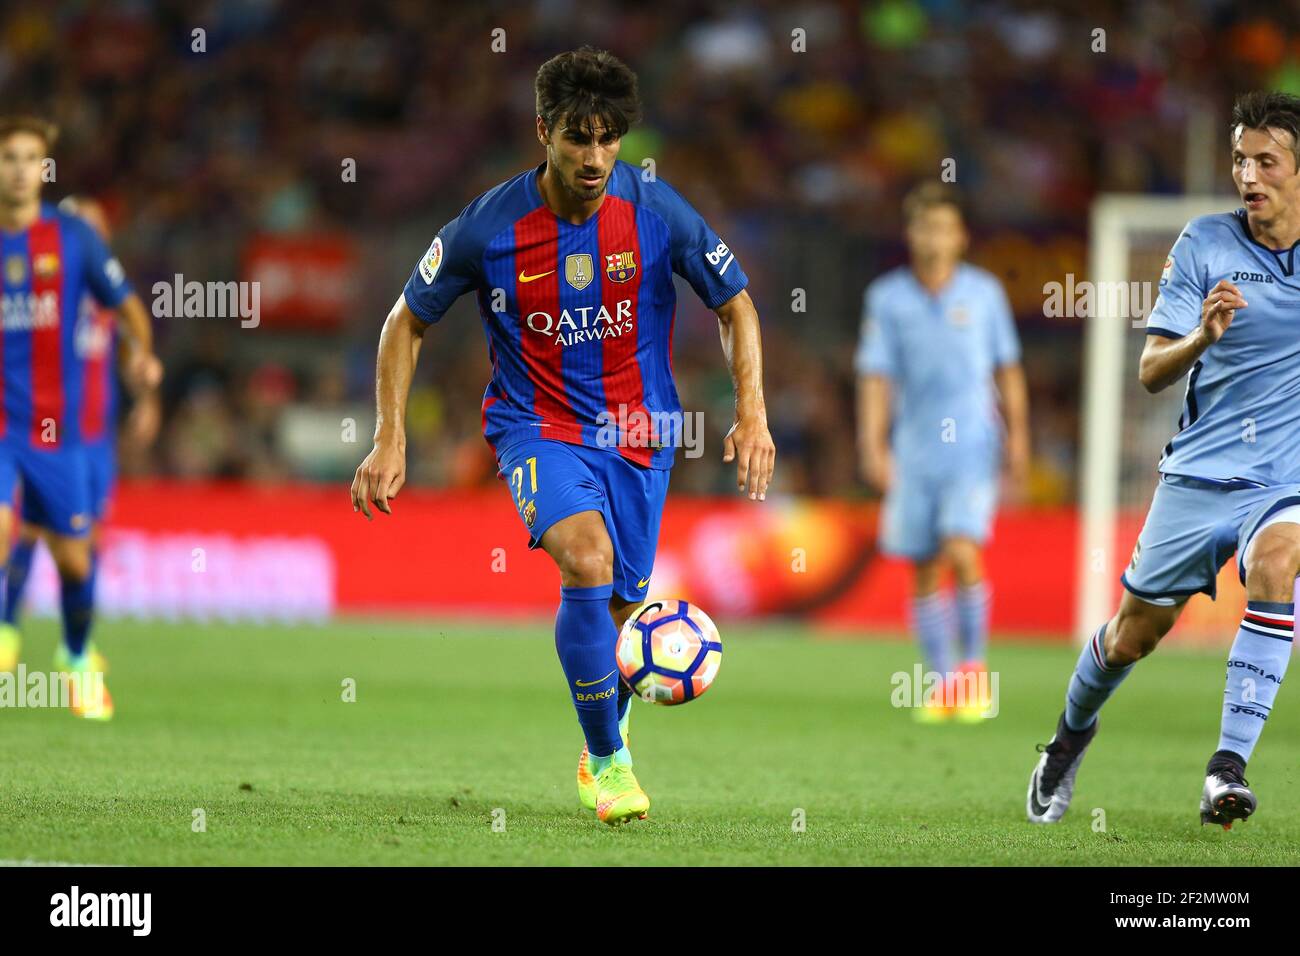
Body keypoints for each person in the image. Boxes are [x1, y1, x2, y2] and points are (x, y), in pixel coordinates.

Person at [349, 48, 774, 826]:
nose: (595, 158)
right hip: (536, 427)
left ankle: (599, 733)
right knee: (585, 557)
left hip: (641, 433)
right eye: (579, 138)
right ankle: (612, 763)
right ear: (543, 131)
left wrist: (752, 412)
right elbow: (406, 321)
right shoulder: (488, 227)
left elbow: (736, 304)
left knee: (622, 613)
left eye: (610, 140)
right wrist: (390, 438)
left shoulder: (657, 212)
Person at [1027, 90, 1300, 829]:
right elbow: (1150, 371)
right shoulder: (1204, 243)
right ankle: (1068, 737)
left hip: (1283, 481)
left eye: (1266, 161)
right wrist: (1203, 337)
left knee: (1280, 562)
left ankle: (1225, 771)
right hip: (1198, 478)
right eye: (1240, 160)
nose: (1249, 174)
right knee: (1131, 636)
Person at [0, 118, 162, 719]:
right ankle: (6, 632)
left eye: (30, 158)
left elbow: (128, 309)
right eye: (8, 157)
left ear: (45, 168)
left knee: (74, 557)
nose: (19, 169)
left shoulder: (74, 240)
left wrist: (143, 358)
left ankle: (74, 654)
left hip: (56, 431)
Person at [856, 182, 1028, 721]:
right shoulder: (887, 299)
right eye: (924, 227)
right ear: (910, 234)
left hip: (974, 444)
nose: (933, 238)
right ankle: (940, 684)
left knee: (961, 546)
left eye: (943, 228)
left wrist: (1019, 437)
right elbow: (875, 378)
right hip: (914, 448)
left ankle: (973, 671)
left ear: (961, 237)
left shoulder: (984, 294)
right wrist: (873, 444)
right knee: (924, 565)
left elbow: (1008, 369)